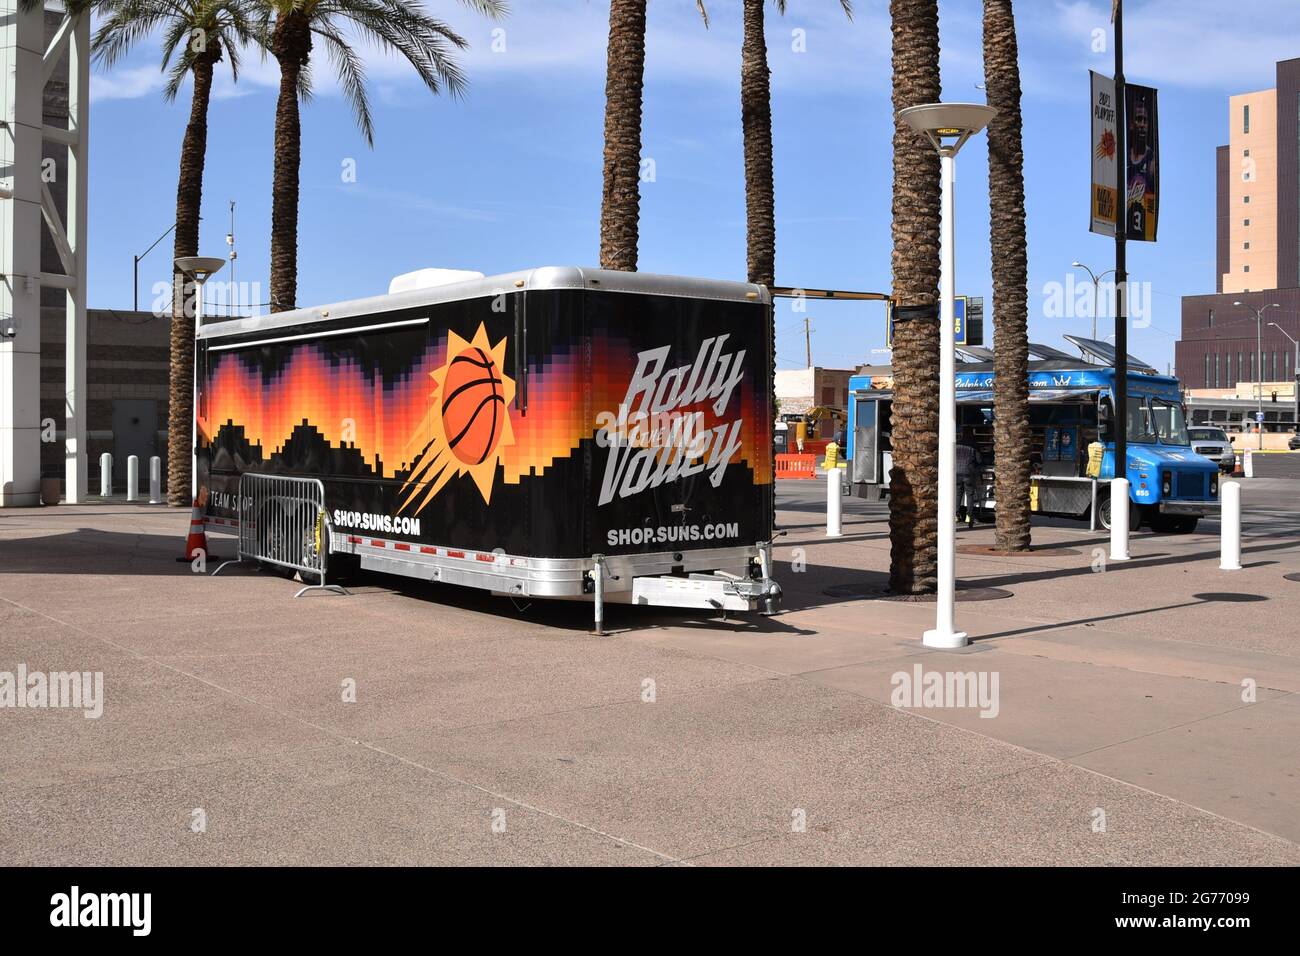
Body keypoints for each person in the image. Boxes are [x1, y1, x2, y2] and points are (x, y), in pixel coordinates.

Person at [955, 438, 980, 527]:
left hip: (957, 472)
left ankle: (956, 515)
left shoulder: (956, 444)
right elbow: (979, 460)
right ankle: (968, 516)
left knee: (958, 494)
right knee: (970, 495)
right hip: (968, 474)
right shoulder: (973, 446)